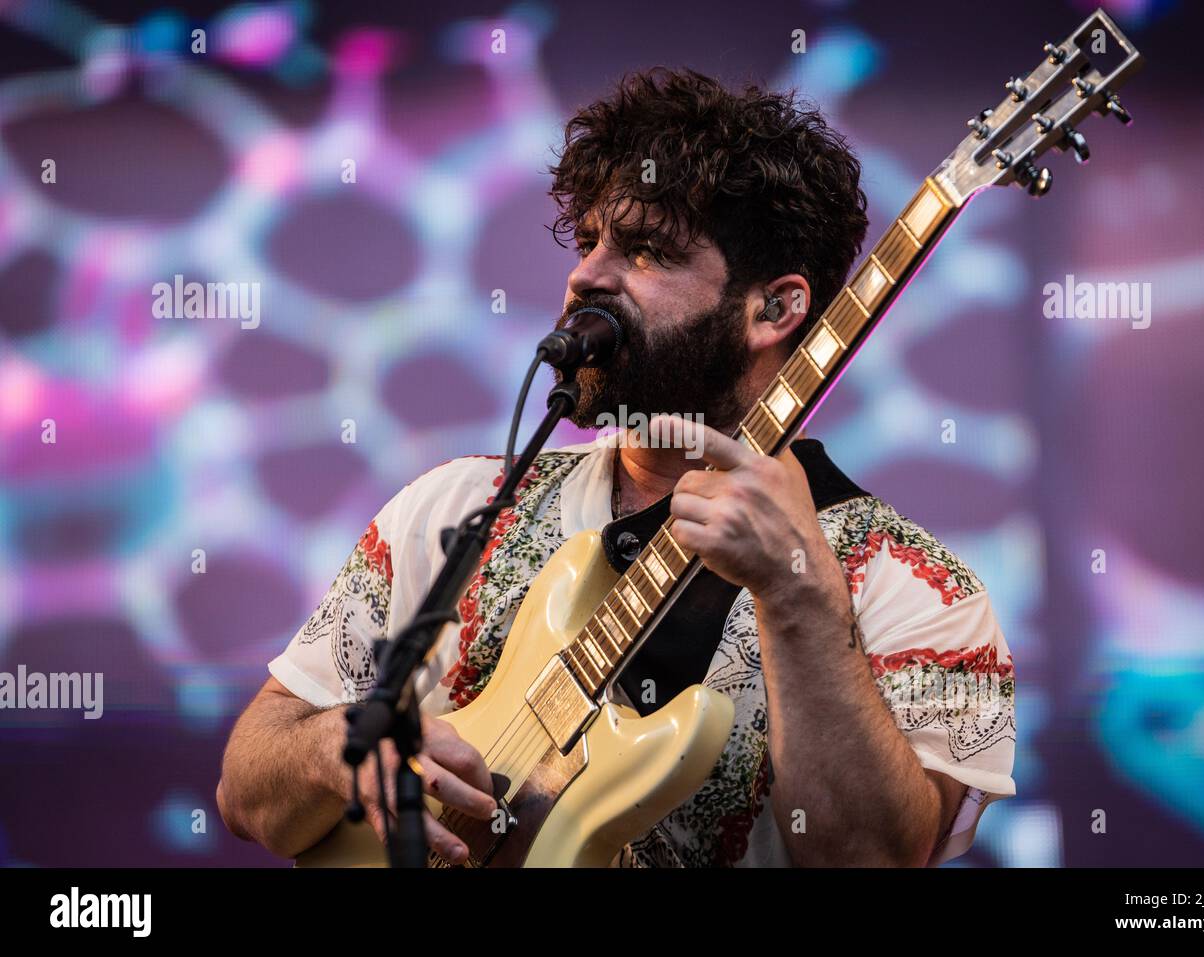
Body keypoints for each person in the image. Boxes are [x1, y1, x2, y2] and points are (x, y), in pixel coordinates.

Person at [216, 67, 1015, 867]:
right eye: (591, 239)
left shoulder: (915, 587)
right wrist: (336, 749)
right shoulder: (454, 505)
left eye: (645, 251)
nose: (587, 275)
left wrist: (800, 600)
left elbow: (872, 859)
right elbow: (245, 788)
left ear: (775, 308)